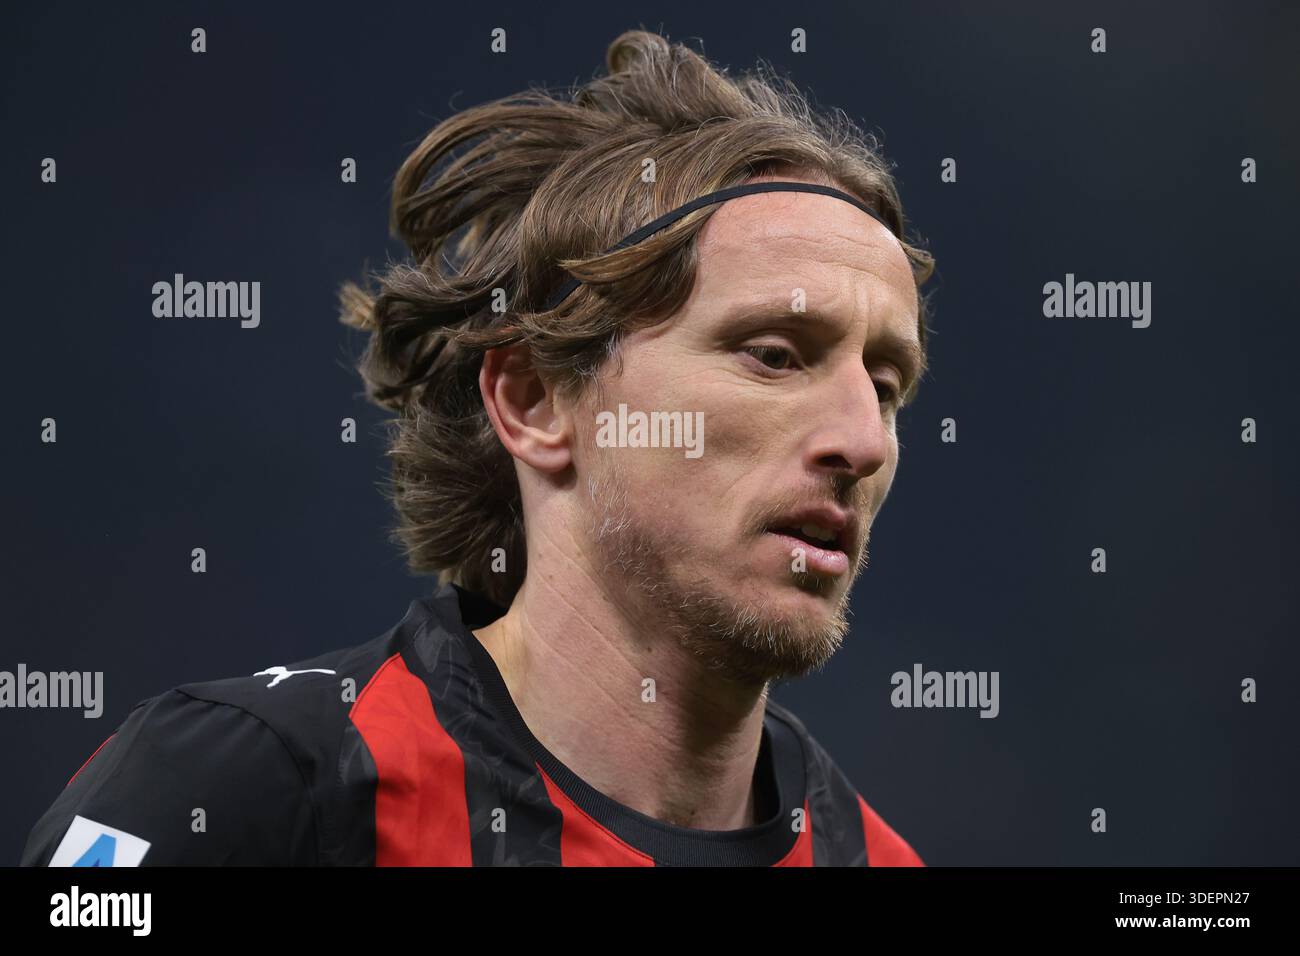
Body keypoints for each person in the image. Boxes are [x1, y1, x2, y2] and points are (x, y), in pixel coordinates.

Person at [22, 28, 934, 867]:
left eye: (886, 388)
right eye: (773, 356)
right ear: (535, 400)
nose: (861, 440)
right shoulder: (235, 795)